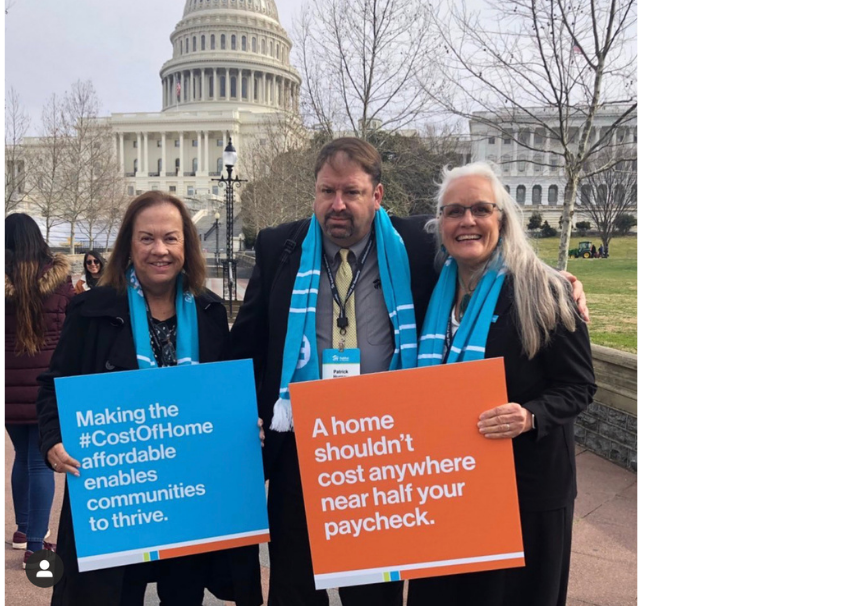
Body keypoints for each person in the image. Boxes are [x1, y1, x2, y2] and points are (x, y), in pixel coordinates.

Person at [225, 138, 590, 606]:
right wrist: (244, 416)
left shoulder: (416, 243)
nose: (338, 205)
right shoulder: (280, 246)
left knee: (374, 590)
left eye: (352, 192)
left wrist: (560, 283)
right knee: (295, 582)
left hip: (386, 450)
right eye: (326, 191)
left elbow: (487, 251)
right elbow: (250, 344)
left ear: (377, 196)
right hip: (303, 444)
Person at [36, 192, 262, 606]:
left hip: (189, 498)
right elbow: (54, 385)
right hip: (121, 498)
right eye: (147, 239)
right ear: (129, 245)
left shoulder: (210, 312)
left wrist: (247, 425)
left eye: (171, 239)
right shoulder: (91, 310)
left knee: (185, 596)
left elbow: (225, 397)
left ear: (186, 247)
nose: (160, 250)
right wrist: (52, 441)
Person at [406, 162, 596, 606]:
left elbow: (579, 385)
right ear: (439, 224)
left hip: (525, 489)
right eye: (454, 211)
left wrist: (531, 415)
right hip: (447, 488)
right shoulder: (429, 287)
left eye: (480, 209)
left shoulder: (542, 289)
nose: (467, 221)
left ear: (502, 218)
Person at [6, 212, 74, 567]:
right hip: (45, 382)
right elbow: (67, 331)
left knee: (22, 455)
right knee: (40, 462)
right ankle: (35, 542)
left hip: (5, 383)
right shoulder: (59, 282)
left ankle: (21, 529)